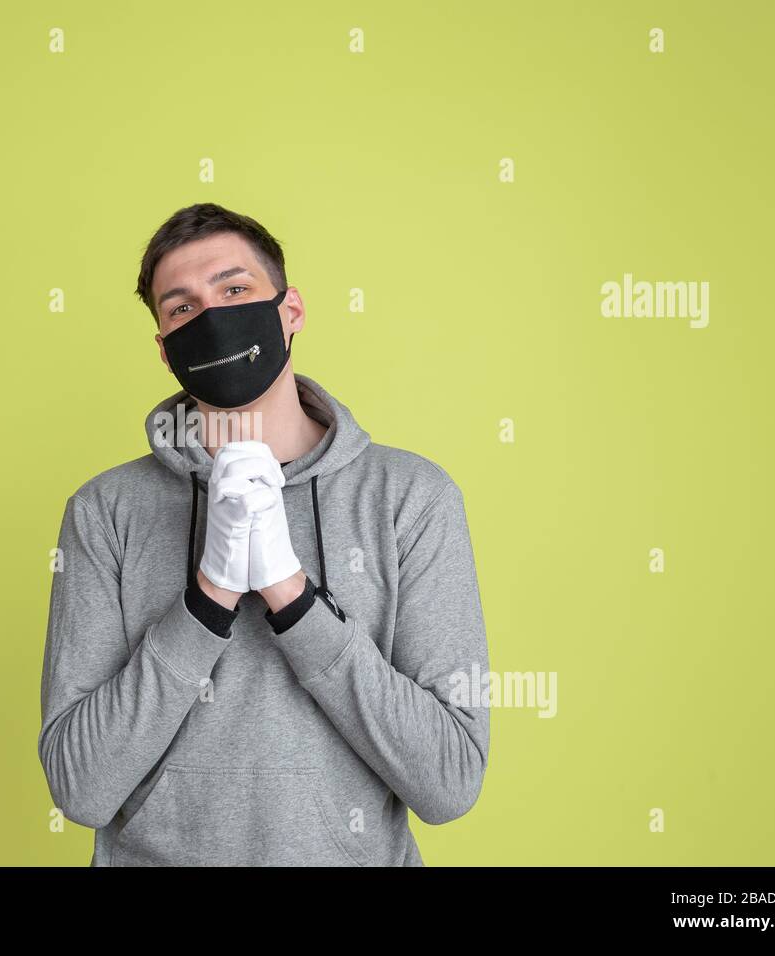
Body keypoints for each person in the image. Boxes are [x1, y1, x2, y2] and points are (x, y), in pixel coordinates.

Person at [38, 202, 490, 866]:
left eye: (235, 289)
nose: (213, 319)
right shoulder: (105, 511)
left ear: (291, 312)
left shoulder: (410, 498)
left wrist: (295, 599)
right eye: (183, 308)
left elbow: (450, 782)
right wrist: (206, 599)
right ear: (165, 351)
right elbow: (80, 788)